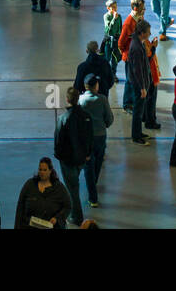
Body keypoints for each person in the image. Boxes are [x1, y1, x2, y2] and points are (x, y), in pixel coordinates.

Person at [54, 85, 93, 226]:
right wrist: (88, 153)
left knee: (72, 189)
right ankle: (75, 214)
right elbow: (90, 136)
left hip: (68, 160)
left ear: (67, 99)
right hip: (82, 158)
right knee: (74, 183)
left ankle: (76, 217)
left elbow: (58, 140)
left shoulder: (64, 118)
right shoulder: (86, 116)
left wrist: (58, 156)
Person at [78, 75, 113, 208]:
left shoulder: (81, 100)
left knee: (88, 165)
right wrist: (104, 125)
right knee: (98, 162)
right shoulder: (102, 99)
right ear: (95, 86)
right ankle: (93, 188)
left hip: (87, 138)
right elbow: (109, 118)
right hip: (100, 136)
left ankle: (92, 195)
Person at [14, 157, 71, 230]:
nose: (42, 172)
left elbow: (68, 206)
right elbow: (20, 207)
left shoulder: (59, 188)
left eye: (45, 170)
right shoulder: (29, 185)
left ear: (50, 171)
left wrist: (57, 218)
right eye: (40, 169)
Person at [127, 19, 154, 145]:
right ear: (142, 33)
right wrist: (143, 87)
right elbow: (137, 70)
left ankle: (138, 132)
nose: (150, 34)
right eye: (148, 32)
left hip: (142, 83)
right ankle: (136, 136)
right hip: (139, 86)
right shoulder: (137, 47)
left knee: (140, 110)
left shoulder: (140, 43)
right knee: (138, 112)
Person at [118, 0, 145, 111]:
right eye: (142, 8)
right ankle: (127, 104)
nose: (144, 10)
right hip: (130, 55)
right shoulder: (128, 23)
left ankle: (134, 100)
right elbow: (121, 42)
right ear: (135, 8)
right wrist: (126, 52)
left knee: (136, 78)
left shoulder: (139, 18)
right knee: (130, 80)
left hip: (137, 53)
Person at [102, 0, 123, 81]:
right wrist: (114, 19)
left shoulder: (119, 16)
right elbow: (109, 29)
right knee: (107, 57)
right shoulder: (106, 16)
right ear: (108, 8)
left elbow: (120, 28)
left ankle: (113, 74)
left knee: (115, 58)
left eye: (115, 7)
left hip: (116, 39)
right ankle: (106, 73)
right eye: (112, 7)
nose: (115, 9)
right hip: (108, 40)